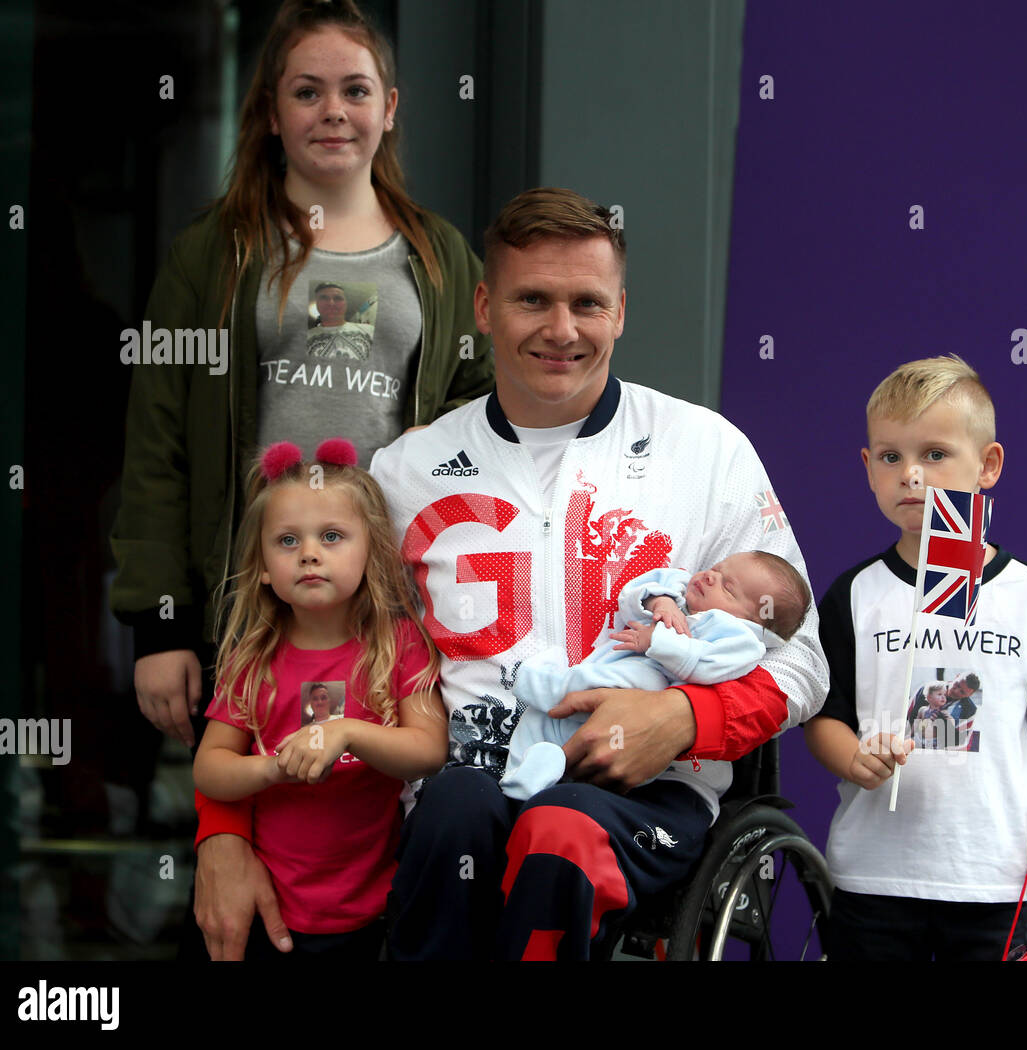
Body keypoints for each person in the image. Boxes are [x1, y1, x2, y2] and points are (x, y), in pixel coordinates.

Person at [342, 185, 824, 959]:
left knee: (556, 830)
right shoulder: (409, 470)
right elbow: (331, 650)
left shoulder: (706, 450)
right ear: (484, 306)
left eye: (588, 304)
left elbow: (804, 661)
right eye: (533, 298)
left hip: (647, 794)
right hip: (468, 778)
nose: (561, 330)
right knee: (455, 806)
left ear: (621, 312)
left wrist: (687, 721)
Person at [110, 0, 491, 958]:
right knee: (258, 868)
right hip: (253, 594)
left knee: (389, 849)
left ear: (392, 107)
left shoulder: (440, 258)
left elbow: (486, 422)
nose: (334, 111)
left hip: (388, 598)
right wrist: (160, 621)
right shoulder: (214, 254)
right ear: (271, 111)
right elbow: (157, 442)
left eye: (355, 90)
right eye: (307, 91)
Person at [804, 354, 1027, 961]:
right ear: (868, 469)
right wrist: (854, 756)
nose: (911, 475)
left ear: (988, 465)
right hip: (872, 876)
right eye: (891, 457)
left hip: (994, 873)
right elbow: (821, 714)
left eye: (934, 454)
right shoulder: (853, 595)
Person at [192, 438, 447, 960]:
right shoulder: (253, 658)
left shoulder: (398, 645)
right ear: (262, 566)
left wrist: (348, 732)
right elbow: (209, 769)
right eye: (287, 541)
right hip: (273, 911)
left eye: (332, 536)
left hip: (375, 912)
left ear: (372, 550)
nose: (309, 553)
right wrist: (270, 770)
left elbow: (428, 749)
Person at [501, 553, 812, 801]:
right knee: (543, 719)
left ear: (757, 622)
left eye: (728, 588)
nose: (711, 576)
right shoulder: (680, 595)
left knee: (605, 684)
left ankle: (544, 685)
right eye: (717, 568)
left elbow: (706, 664)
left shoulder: (737, 636)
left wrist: (658, 642)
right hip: (617, 671)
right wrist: (660, 602)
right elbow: (639, 592)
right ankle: (528, 772)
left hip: (652, 695)